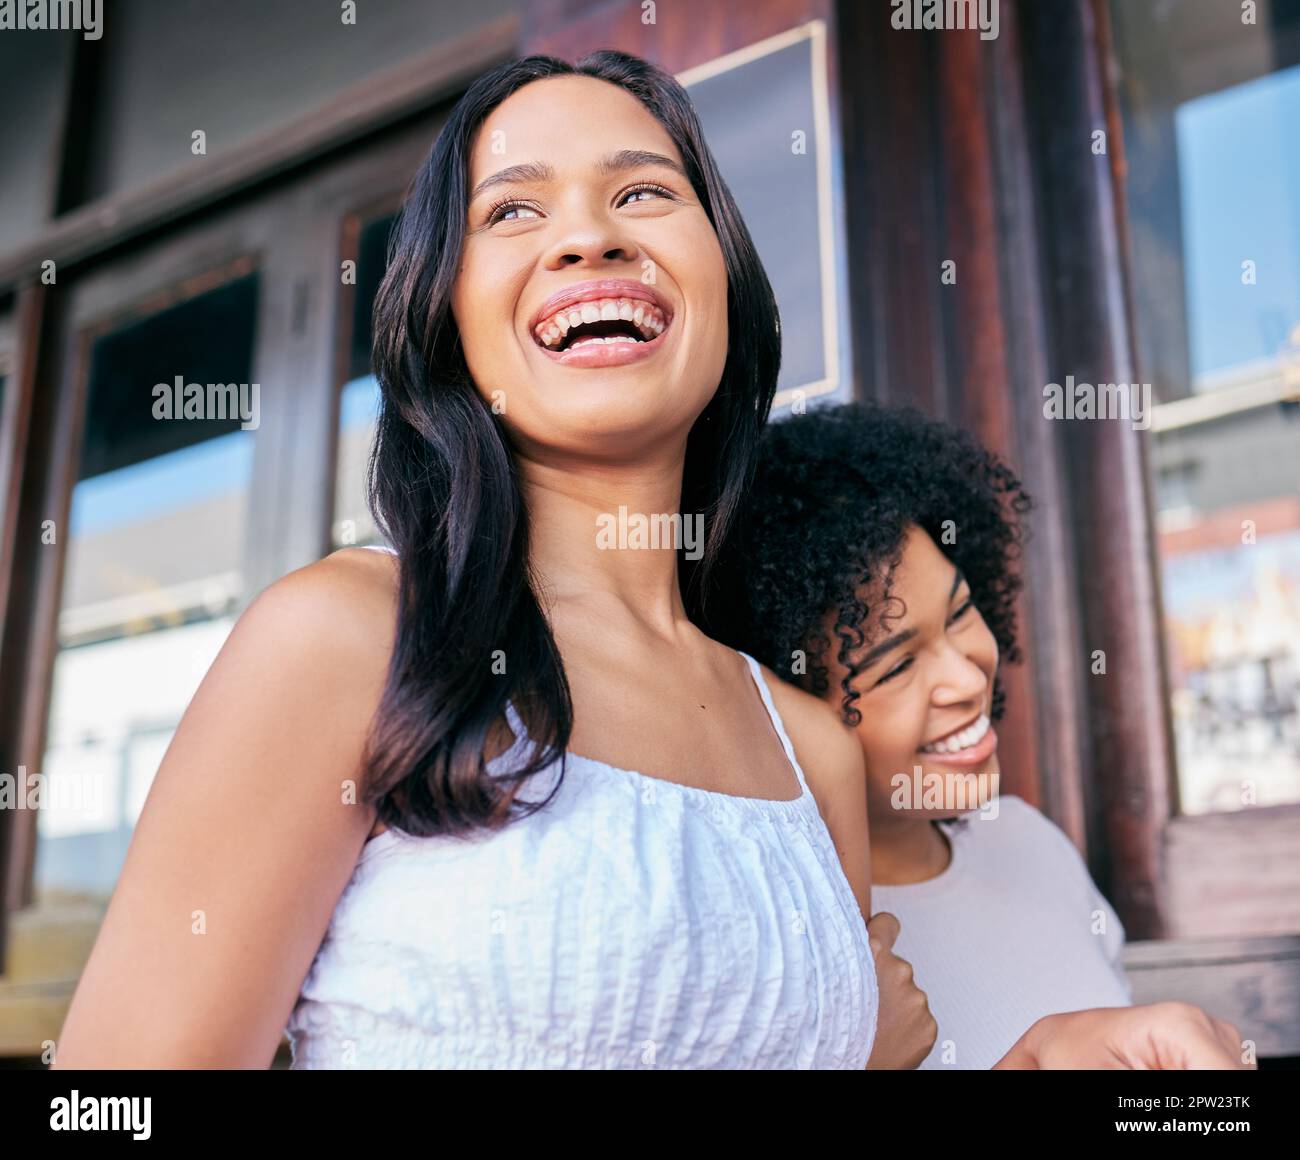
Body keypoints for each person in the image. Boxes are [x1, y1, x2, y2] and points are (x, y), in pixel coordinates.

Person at [54, 52, 1243, 1070]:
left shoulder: (809, 748)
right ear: (446, 322)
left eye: (644, 191)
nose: (588, 234)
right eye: (513, 211)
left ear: (723, 281)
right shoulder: (348, 638)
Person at [712, 401, 1149, 1068]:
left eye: (962, 610)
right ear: (783, 709)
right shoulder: (787, 958)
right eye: (896, 665)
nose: (966, 679)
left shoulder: (1030, 842)